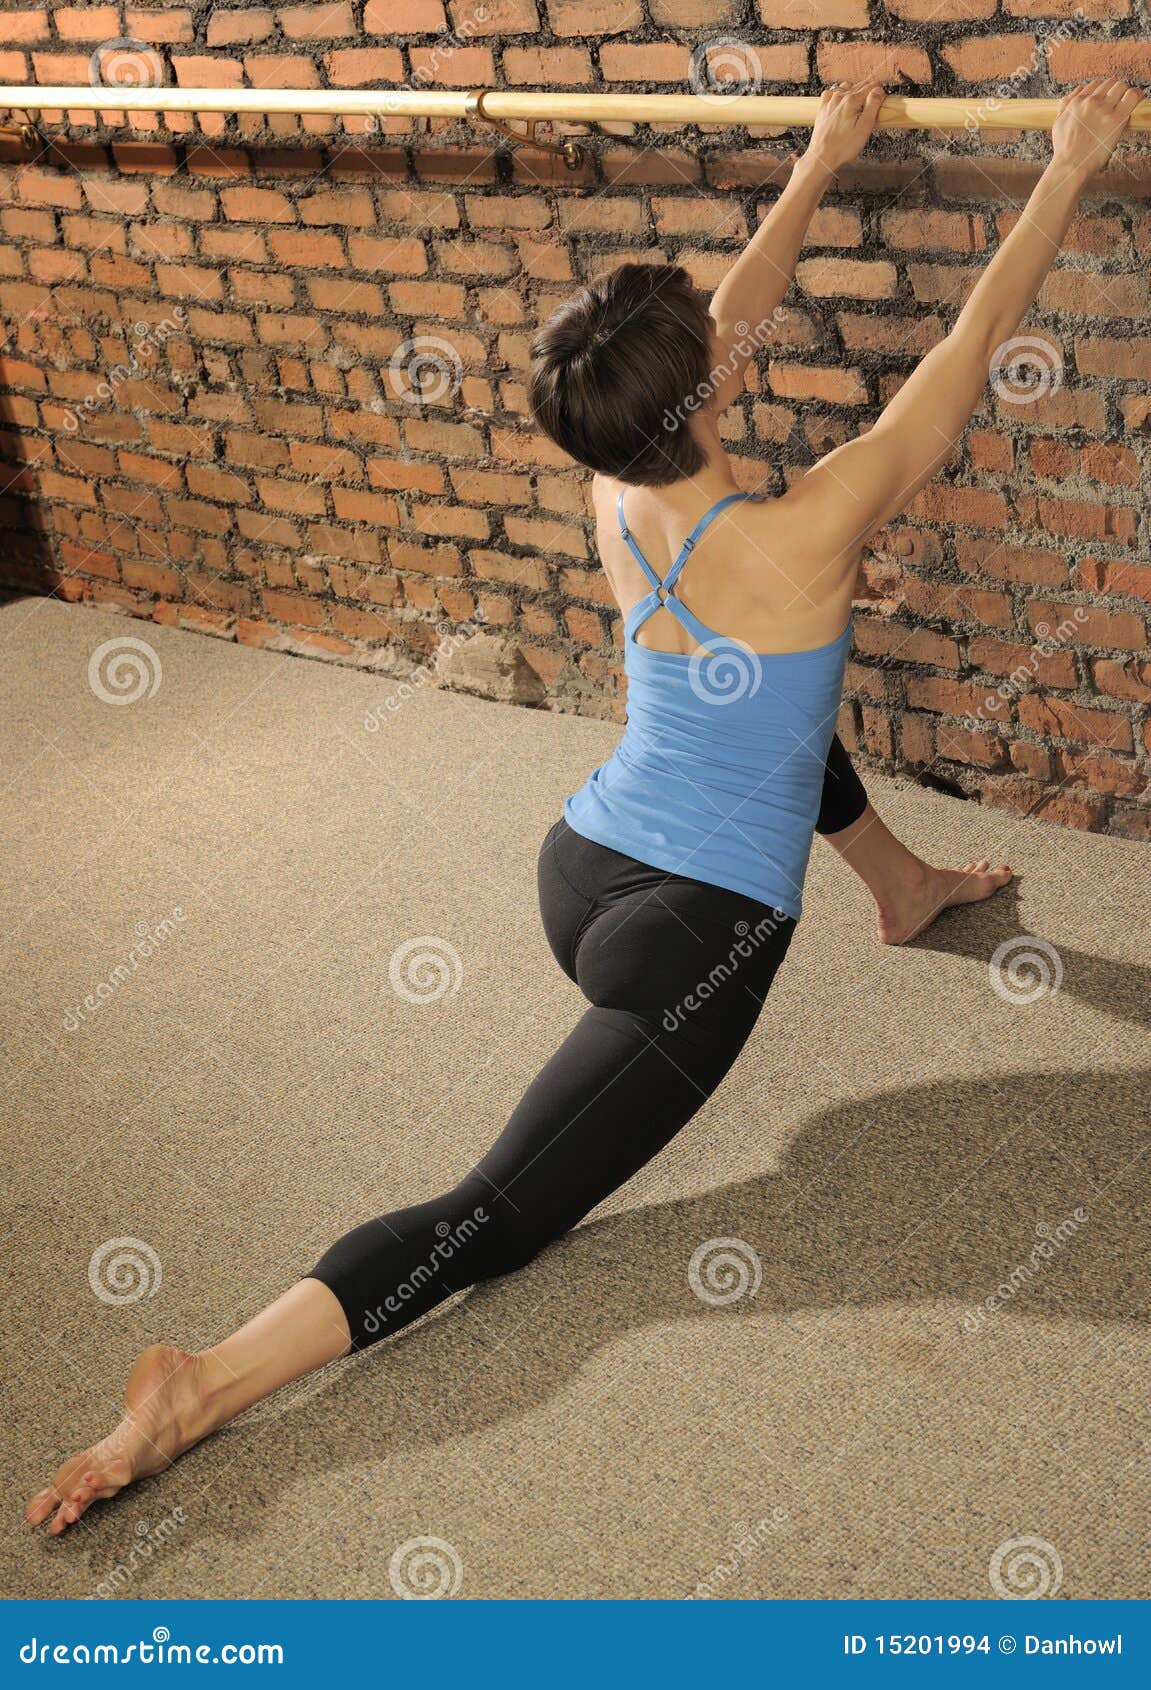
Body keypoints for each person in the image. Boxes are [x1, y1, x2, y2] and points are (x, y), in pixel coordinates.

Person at [28, 77, 1140, 1537]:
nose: (726, 333)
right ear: (711, 382)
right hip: (693, 946)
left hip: (583, 863)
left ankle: (901, 885)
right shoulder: (809, 528)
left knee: (763, 711)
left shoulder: (615, 479)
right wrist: (1068, 169)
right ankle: (208, 1382)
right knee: (494, 1213)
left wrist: (820, 159)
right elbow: (971, 345)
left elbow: (720, 326)